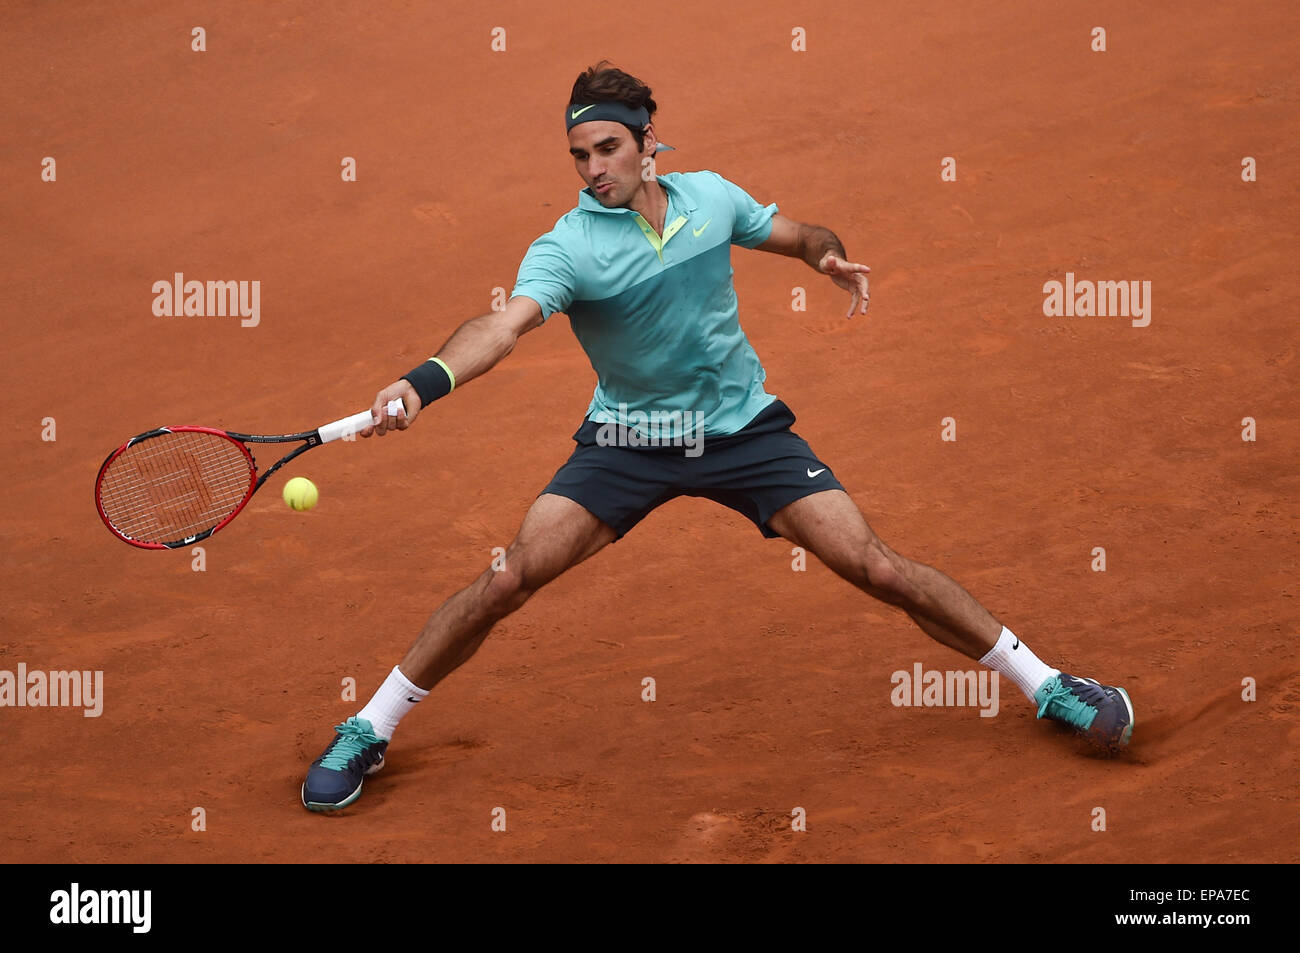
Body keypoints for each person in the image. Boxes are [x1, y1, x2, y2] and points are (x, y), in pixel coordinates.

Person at [301, 62, 1134, 813]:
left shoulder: (712, 199)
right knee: (506, 579)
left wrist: (827, 258)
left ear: (647, 143)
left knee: (878, 566)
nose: (593, 170)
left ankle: (1051, 685)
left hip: (741, 432)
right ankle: (369, 727)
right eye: (579, 156)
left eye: (608, 148)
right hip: (628, 443)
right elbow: (501, 325)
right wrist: (422, 381)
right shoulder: (569, 247)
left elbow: (802, 233)